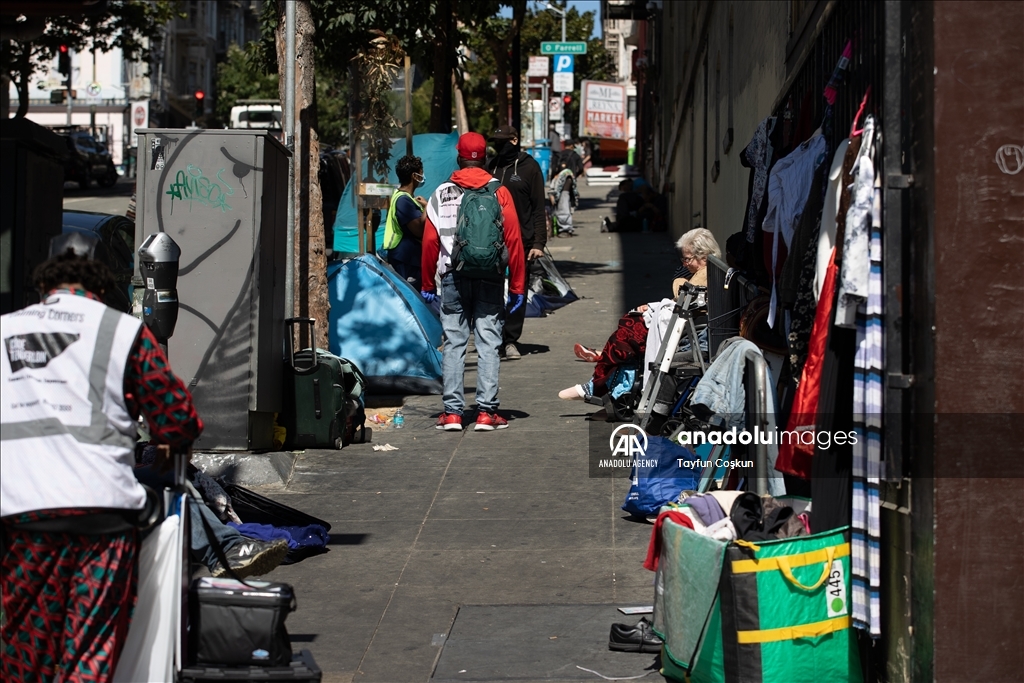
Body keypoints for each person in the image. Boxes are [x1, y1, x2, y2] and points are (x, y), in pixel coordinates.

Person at [1, 241, 202, 682]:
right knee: (90, 646)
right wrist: (165, 453)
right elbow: (179, 419)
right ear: (100, 290)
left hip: (23, 517)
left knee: (24, 651)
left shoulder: (4, 331)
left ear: (44, 290)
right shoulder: (121, 332)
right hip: (103, 517)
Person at [421, 132, 526, 431]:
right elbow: (514, 240)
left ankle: (452, 414)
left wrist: (428, 284)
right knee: (489, 343)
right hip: (491, 277)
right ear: (483, 157)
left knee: (454, 343)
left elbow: (429, 243)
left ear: (459, 156)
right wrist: (518, 286)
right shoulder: (499, 192)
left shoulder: (440, 193)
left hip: (452, 276)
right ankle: (486, 413)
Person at [561, 228, 721, 400]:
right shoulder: (700, 271)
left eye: (687, 259)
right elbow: (679, 284)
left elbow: (680, 293)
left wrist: (661, 303)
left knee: (627, 335)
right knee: (628, 329)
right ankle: (607, 379)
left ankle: (597, 382)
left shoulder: (704, 275)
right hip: (678, 321)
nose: (684, 264)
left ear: (703, 257)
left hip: (683, 328)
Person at [486, 125, 547, 360]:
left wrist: (538, 243)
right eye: (495, 143)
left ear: (514, 140)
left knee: (517, 290)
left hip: (522, 241)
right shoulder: (491, 167)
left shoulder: (530, 167)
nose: (499, 147)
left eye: (503, 142)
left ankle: (510, 339)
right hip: (491, 241)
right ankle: (492, 336)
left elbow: (539, 208)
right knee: (491, 290)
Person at [381, 154, 429, 290]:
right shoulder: (403, 200)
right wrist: (427, 207)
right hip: (405, 260)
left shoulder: (406, 197)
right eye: (421, 172)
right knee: (410, 296)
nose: (423, 176)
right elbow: (418, 229)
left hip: (408, 259)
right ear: (414, 176)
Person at [550, 160, 580, 236]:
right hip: (566, 193)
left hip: (564, 194)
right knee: (565, 210)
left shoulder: (562, 175)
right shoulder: (568, 173)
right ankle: (565, 228)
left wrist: (553, 195)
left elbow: (554, 188)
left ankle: (565, 229)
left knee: (563, 211)